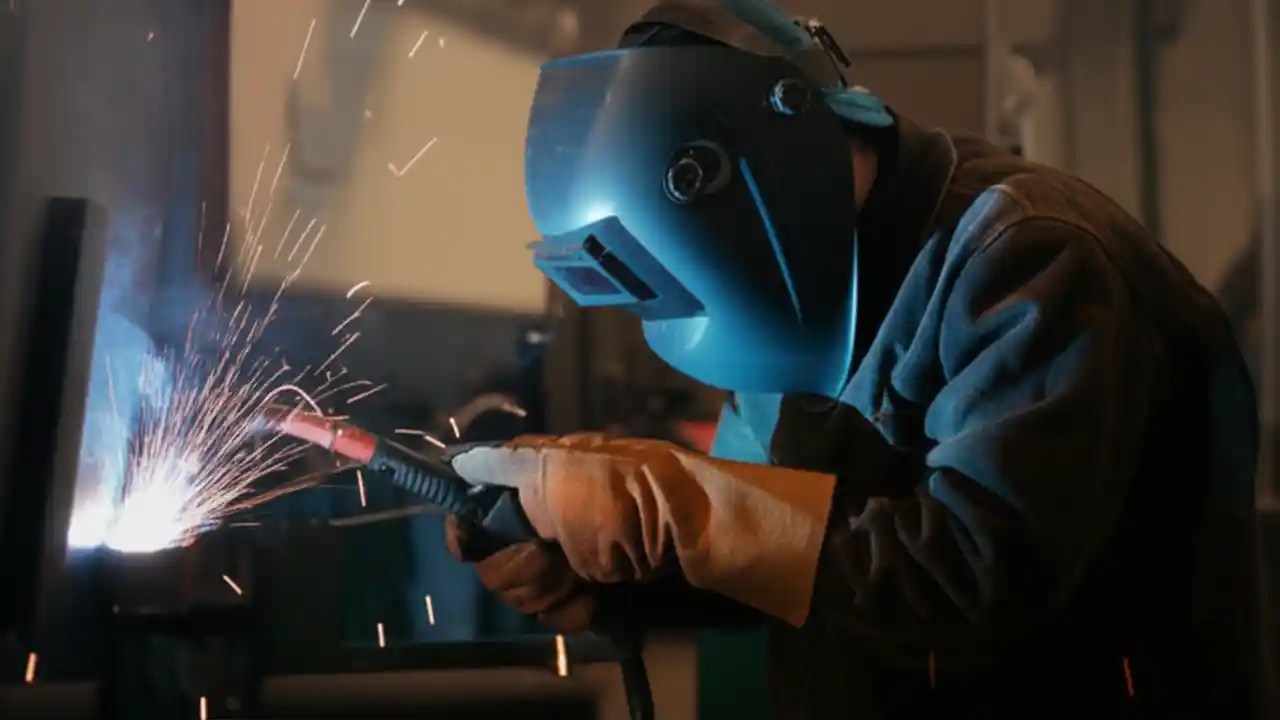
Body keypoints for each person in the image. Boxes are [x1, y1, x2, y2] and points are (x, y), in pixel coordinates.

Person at [443, 1, 1272, 716]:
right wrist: (608, 561)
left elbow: (974, 577)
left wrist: (681, 510)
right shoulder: (783, 300)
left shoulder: (1028, 260)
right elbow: (769, 551)